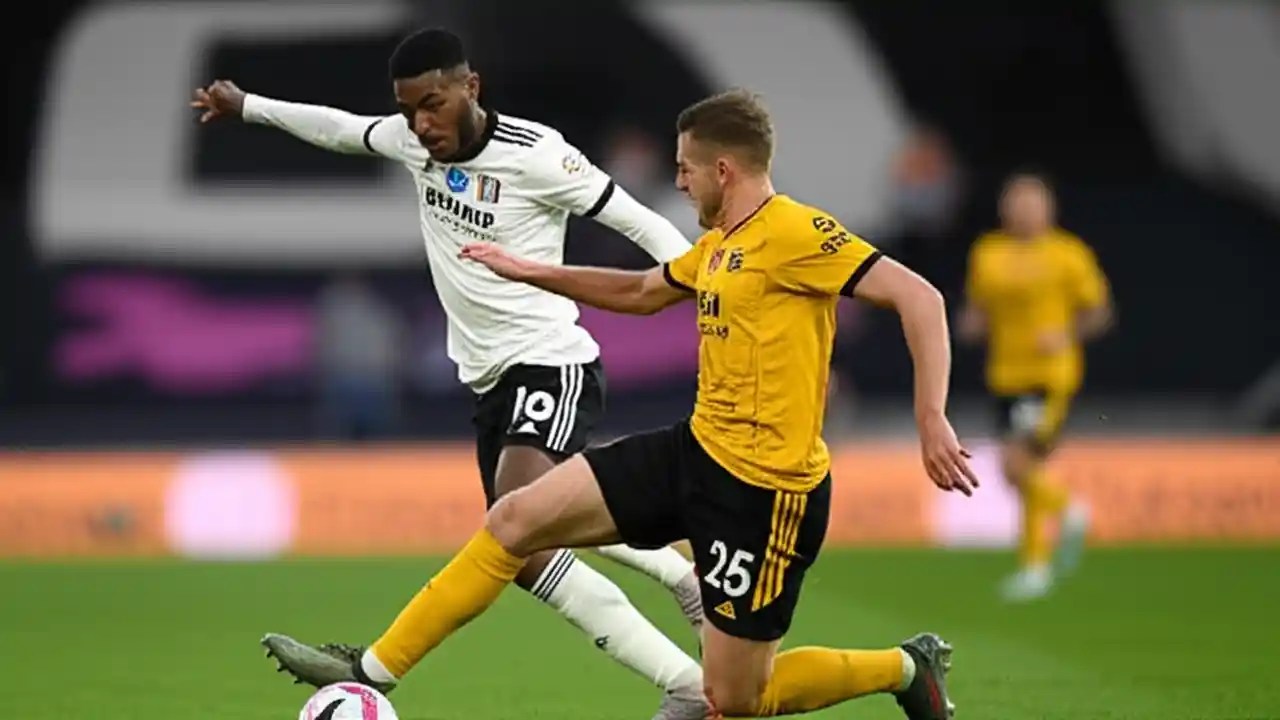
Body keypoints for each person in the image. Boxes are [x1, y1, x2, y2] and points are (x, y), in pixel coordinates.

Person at [269, 88, 978, 719]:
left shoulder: (796, 233)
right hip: (694, 451)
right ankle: (370, 671)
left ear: (722, 171)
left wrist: (930, 417)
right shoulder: (720, 243)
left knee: (736, 699)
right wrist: (532, 271)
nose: (678, 178)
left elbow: (920, 297)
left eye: (686, 168)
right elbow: (644, 293)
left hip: (764, 494)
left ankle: (906, 667)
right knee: (515, 518)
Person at [192, 28, 710, 719]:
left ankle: (685, 634)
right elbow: (342, 130)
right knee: (524, 551)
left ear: (472, 87)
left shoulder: (540, 156)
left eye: (432, 104)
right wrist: (248, 104)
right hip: (490, 382)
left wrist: (708, 284)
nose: (421, 124)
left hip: (551, 364)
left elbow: (642, 223)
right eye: (408, 111)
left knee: (518, 515)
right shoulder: (411, 143)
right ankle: (683, 635)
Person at [959, 172, 1112, 602]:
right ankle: (1035, 568)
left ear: (1049, 208)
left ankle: (1069, 511)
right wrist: (972, 324)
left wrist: (1065, 335)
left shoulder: (1068, 254)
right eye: (1017, 202)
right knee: (1025, 473)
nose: (1024, 211)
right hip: (1004, 375)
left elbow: (1098, 311)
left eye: (1033, 203)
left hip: (1048, 376)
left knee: (1016, 465)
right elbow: (979, 308)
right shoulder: (988, 252)